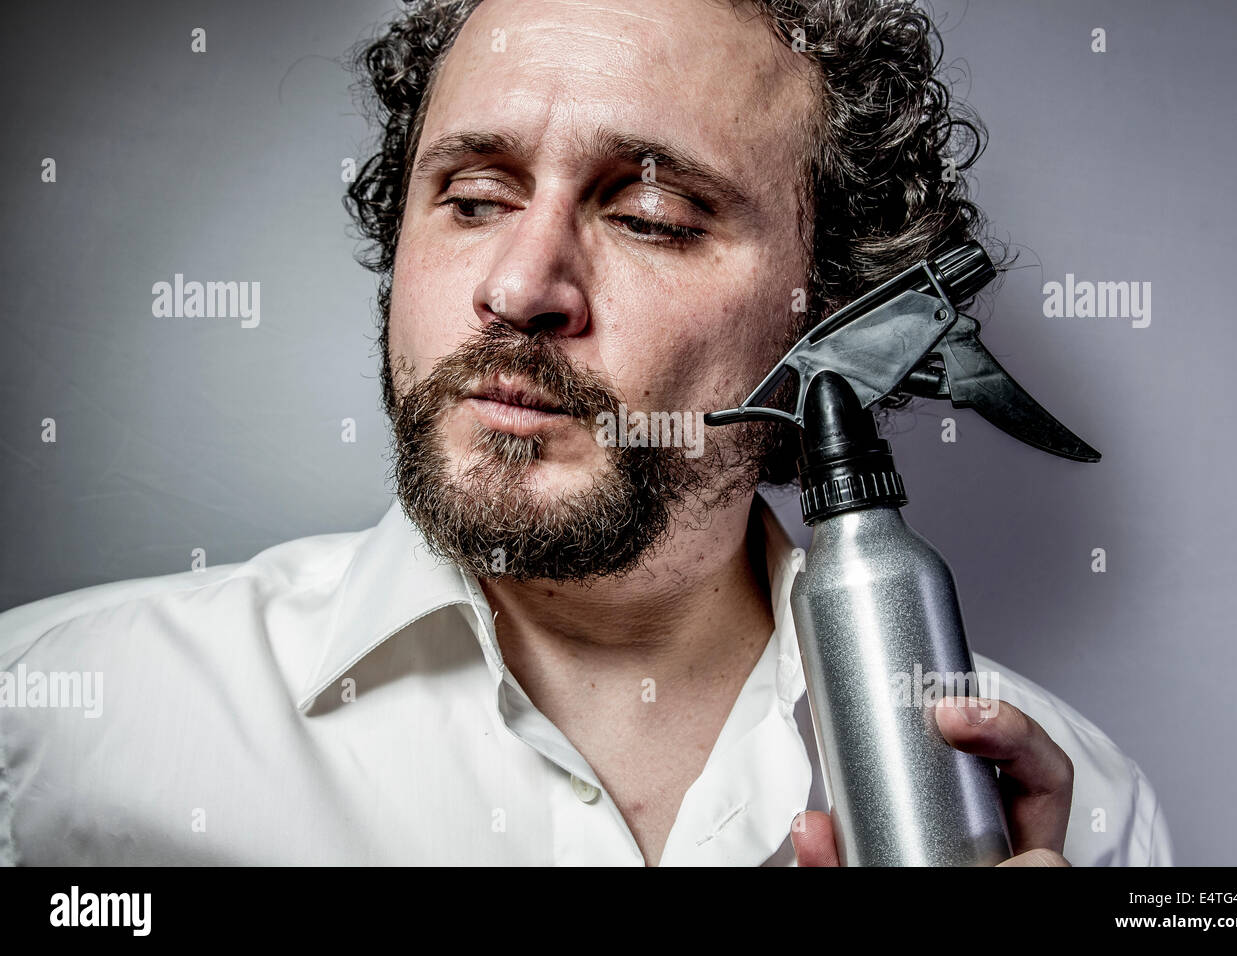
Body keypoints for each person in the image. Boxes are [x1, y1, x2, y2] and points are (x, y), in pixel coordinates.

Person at [0, 0, 1171, 866]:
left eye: (651, 216)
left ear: (836, 302)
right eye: (472, 197)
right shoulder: (50, 722)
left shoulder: (1080, 811)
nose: (519, 285)